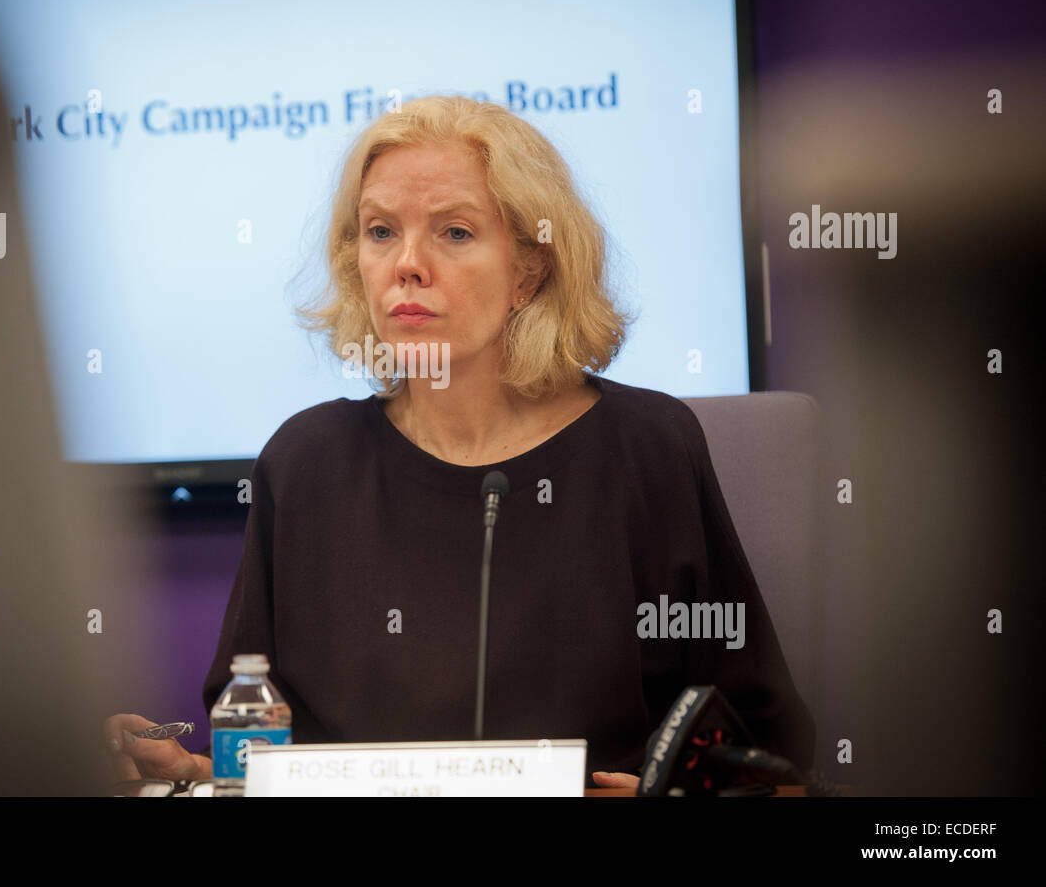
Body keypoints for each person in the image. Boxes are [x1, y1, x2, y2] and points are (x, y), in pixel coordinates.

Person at [105, 95, 815, 790]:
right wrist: (193, 771)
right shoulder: (305, 463)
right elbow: (257, 760)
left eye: (454, 233)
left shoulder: (647, 449)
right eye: (381, 231)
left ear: (529, 270)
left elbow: (762, 763)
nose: (407, 264)